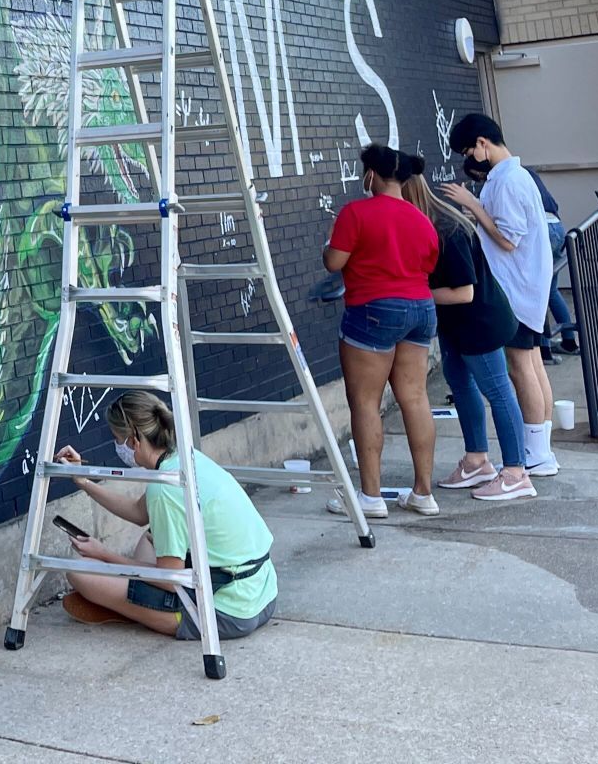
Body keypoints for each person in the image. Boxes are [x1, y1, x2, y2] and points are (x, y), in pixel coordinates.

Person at [53, 391, 279, 642]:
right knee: (149, 539)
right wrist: (83, 480)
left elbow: (170, 579)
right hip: (262, 596)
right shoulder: (183, 459)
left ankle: (138, 609)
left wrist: (105, 555)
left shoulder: (164, 488)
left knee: (78, 571)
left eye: (117, 439)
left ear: (134, 440)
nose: (117, 447)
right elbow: (139, 513)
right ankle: (132, 600)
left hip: (225, 612)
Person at [401, 161, 534, 501]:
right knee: (460, 385)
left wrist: (415, 292)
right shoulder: (424, 223)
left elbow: (465, 292)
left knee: (498, 391)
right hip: (456, 325)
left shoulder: (447, 229)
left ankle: (516, 472)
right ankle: (477, 460)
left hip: (479, 323)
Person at [322, 144, 439, 519]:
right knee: (416, 398)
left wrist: (332, 244)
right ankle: (423, 493)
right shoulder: (422, 219)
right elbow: (428, 263)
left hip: (372, 308)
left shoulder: (356, 212)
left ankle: (371, 497)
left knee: (366, 402)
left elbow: (333, 262)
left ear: (371, 174)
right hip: (421, 308)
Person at [444, 115, 561, 478]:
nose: (471, 158)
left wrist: (473, 206)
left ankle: (536, 453)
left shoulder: (508, 180)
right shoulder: (513, 176)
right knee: (532, 364)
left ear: (483, 143)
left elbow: (509, 239)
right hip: (526, 286)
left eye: (469, 150)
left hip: (515, 289)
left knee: (521, 367)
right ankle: (540, 449)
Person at [527, 167, 581, 356]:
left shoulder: (510, 180)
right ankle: (568, 341)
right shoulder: (530, 176)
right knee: (550, 290)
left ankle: (544, 348)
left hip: (542, 230)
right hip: (557, 227)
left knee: (538, 291)